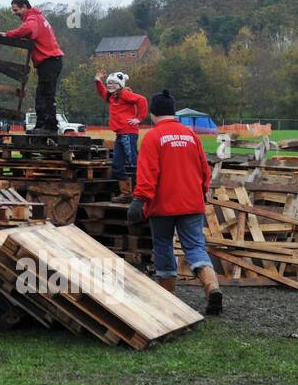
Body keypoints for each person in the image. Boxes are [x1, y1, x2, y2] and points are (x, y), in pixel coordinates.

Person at [127, 89, 222, 315]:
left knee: (163, 245)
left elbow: (148, 173)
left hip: (163, 205)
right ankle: (212, 288)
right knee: (195, 247)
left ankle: (168, 299)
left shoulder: (152, 137)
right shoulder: (191, 136)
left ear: (152, 114)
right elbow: (204, 170)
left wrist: (139, 200)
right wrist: (202, 192)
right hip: (191, 203)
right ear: (173, 112)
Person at [0, 0, 64, 133]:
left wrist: (8, 34)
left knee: (46, 94)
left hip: (50, 61)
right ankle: (41, 125)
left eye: (16, 10)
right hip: (50, 61)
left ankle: (50, 126)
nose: (15, 13)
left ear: (24, 7)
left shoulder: (32, 18)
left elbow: (29, 30)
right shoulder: (37, 17)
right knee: (41, 94)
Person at [95, 70, 148, 198]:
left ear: (120, 84)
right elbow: (102, 92)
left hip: (128, 133)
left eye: (114, 83)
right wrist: (98, 81)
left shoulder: (124, 94)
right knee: (117, 165)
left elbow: (142, 100)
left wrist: (139, 118)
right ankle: (126, 193)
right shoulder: (112, 97)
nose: (111, 85)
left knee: (133, 163)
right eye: (109, 83)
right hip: (120, 134)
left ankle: (141, 192)